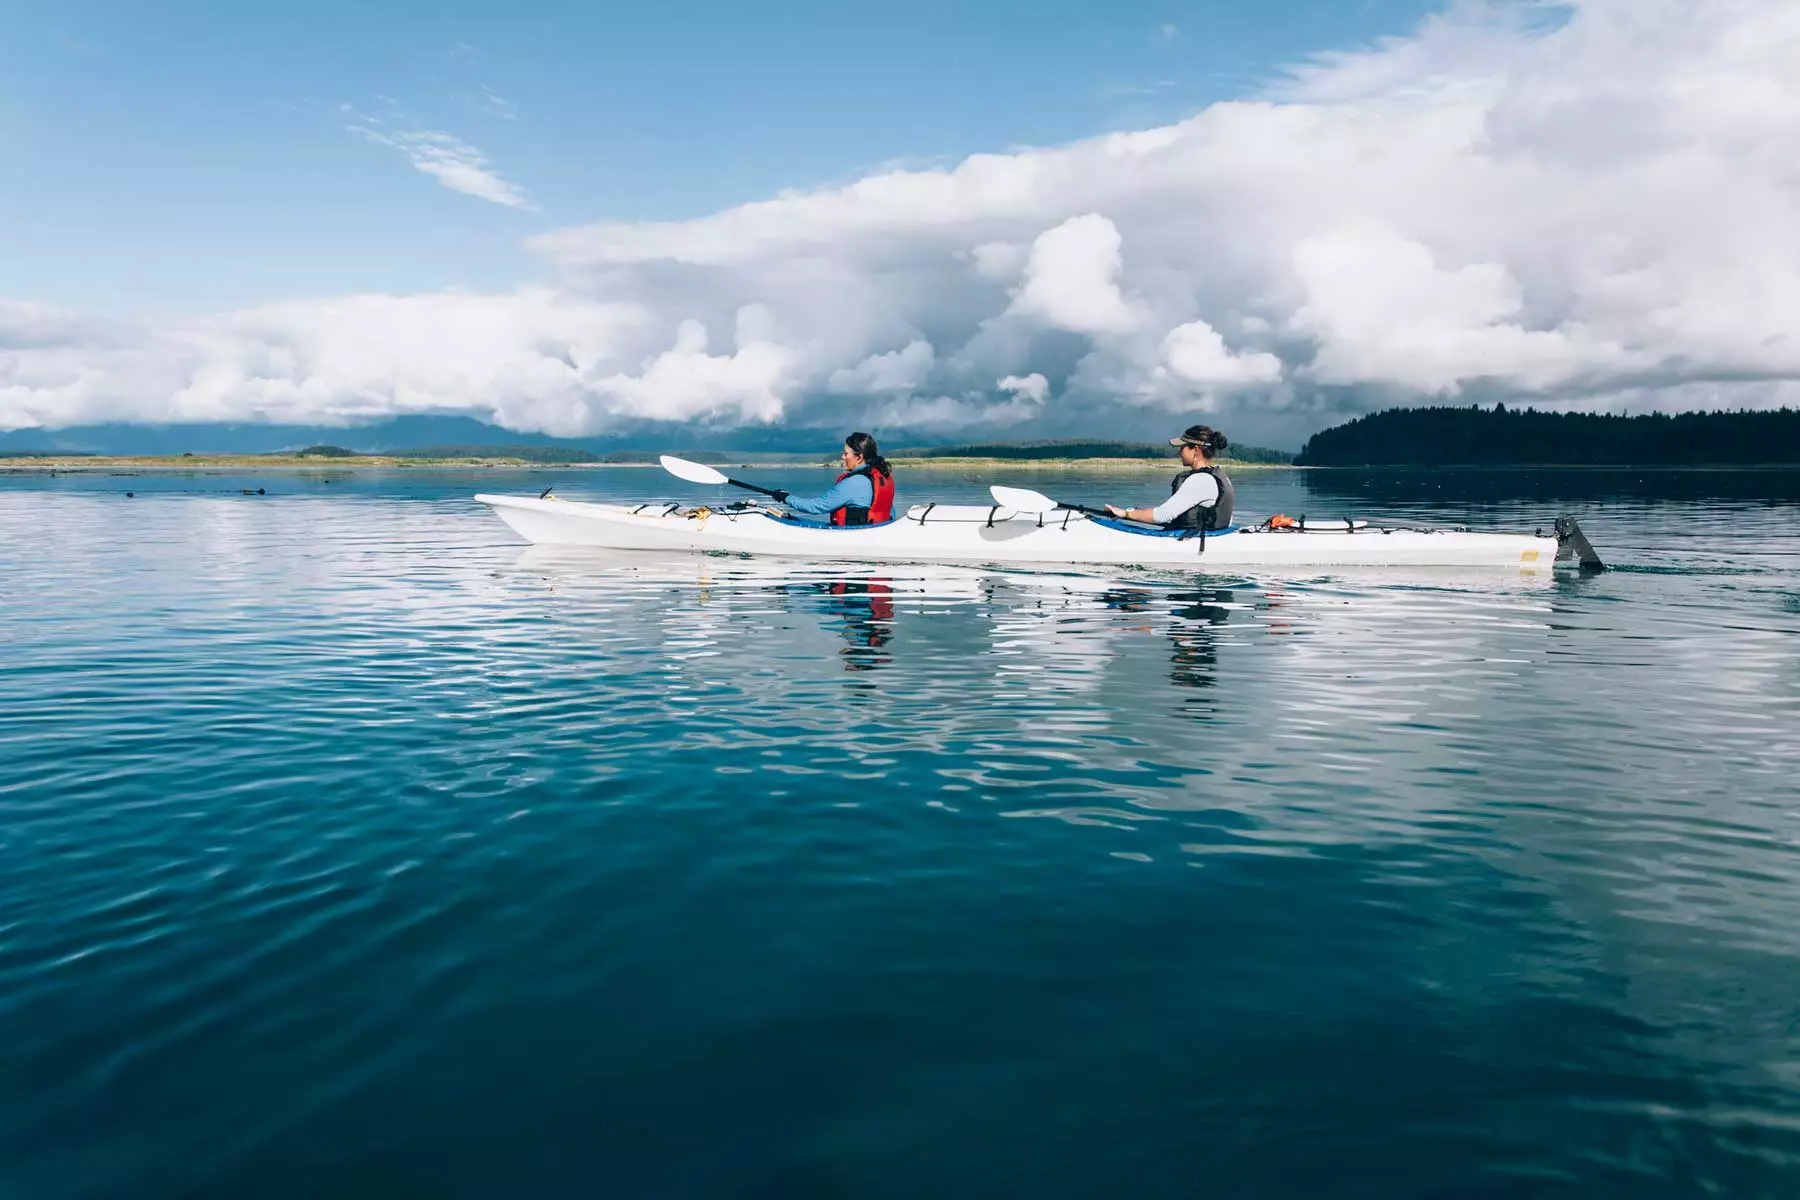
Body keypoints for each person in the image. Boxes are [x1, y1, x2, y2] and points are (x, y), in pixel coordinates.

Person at [1104, 424, 1235, 531]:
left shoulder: (1200, 480)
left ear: (1196, 449)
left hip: (1195, 541)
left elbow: (1163, 515)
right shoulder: (1220, 475)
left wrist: (1125, 513)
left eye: (1183, 447)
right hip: (1210, 536)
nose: (1179, 452)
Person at [773, 432, 897, 525]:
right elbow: (891, 513)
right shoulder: (882, 477)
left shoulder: (854, 483)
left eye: (846, 454)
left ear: (859, 457)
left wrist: (787, 498)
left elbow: (816, 506)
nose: (843, 457)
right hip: (874, 531)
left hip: (853, 537)